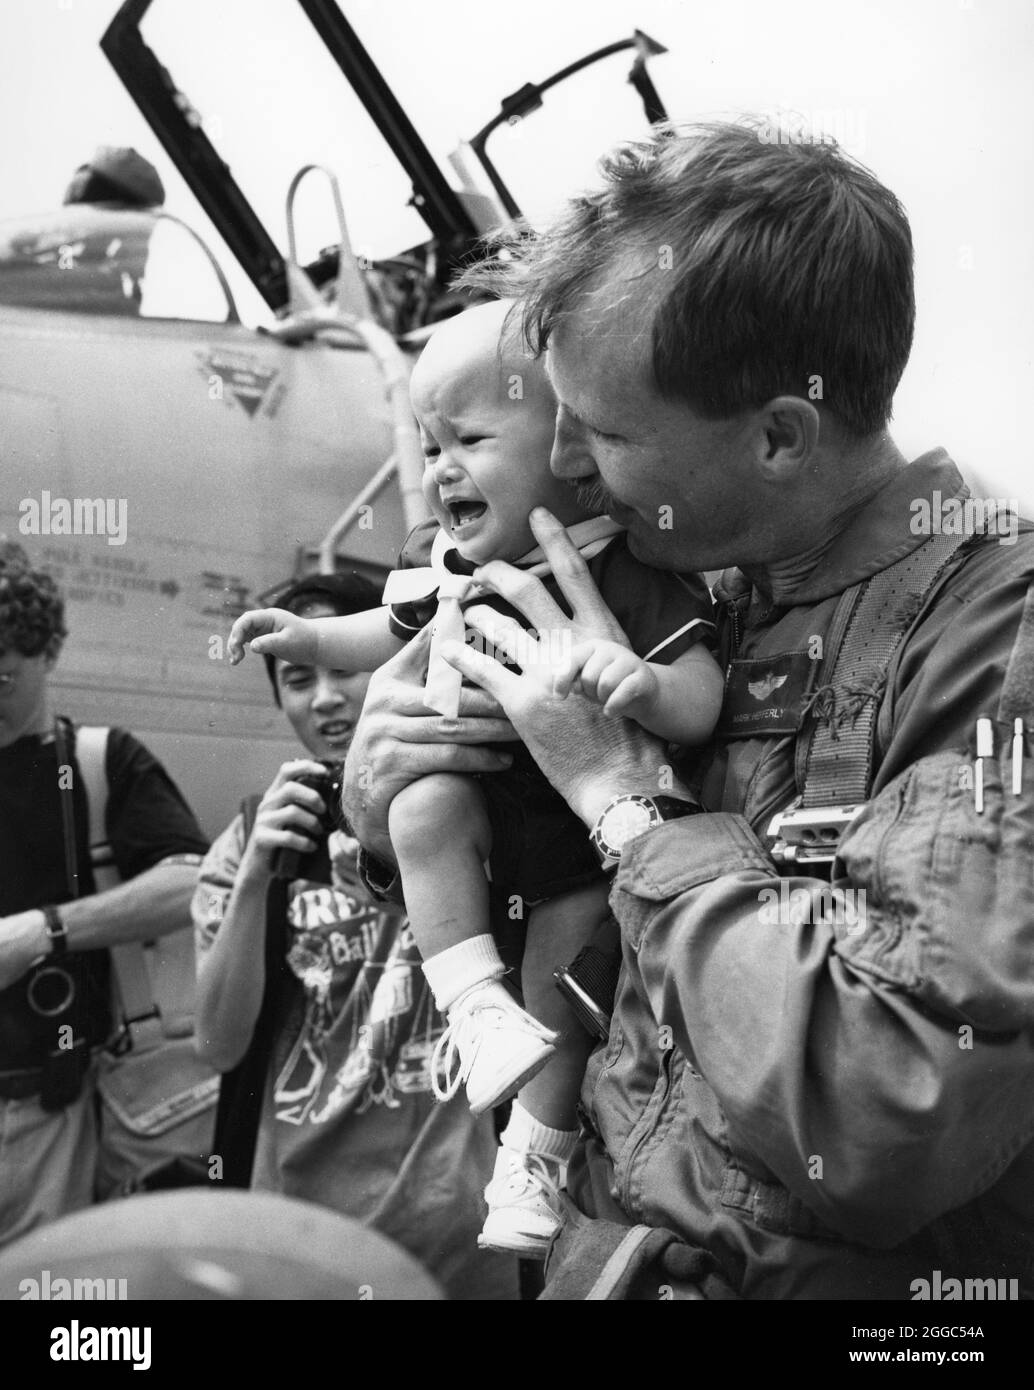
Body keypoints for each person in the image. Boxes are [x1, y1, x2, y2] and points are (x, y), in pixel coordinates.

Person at [339, 122, 1034, 1300]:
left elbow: (891, 1107)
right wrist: (390, 804)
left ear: (777, 437)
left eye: (602, 431)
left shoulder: (987, 636)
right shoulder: (681, 584)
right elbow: (550, 969)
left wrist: (623, 801)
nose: (558, 459)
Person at [227, 303, 723, 1257]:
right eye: (428, 443)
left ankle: (531, 1159)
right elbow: (381, 628)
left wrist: (645, 685)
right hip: (478, 789)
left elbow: (696, 687)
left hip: (577, 840)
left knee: (562, 984)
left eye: (471, 438)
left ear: (572, 446)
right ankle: (472, 1009)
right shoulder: (444, 566)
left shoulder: (625, 570)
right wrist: (307, 636)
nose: (439, 466)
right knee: (417, 816)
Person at [195, 571, 518, 1299]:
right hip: (302, 1232)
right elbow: (217, 1045)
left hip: (461, 1222)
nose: (326, 698)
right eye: (297, 679)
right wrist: (255, 881)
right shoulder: (252, 839)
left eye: (345, 667)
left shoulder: (462, 805)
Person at [0, 541, 208, 1246]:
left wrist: (42, 931)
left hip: (50, 1109)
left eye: (2, 679)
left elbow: (191, 881)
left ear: (46, 653)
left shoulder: (96, 763)